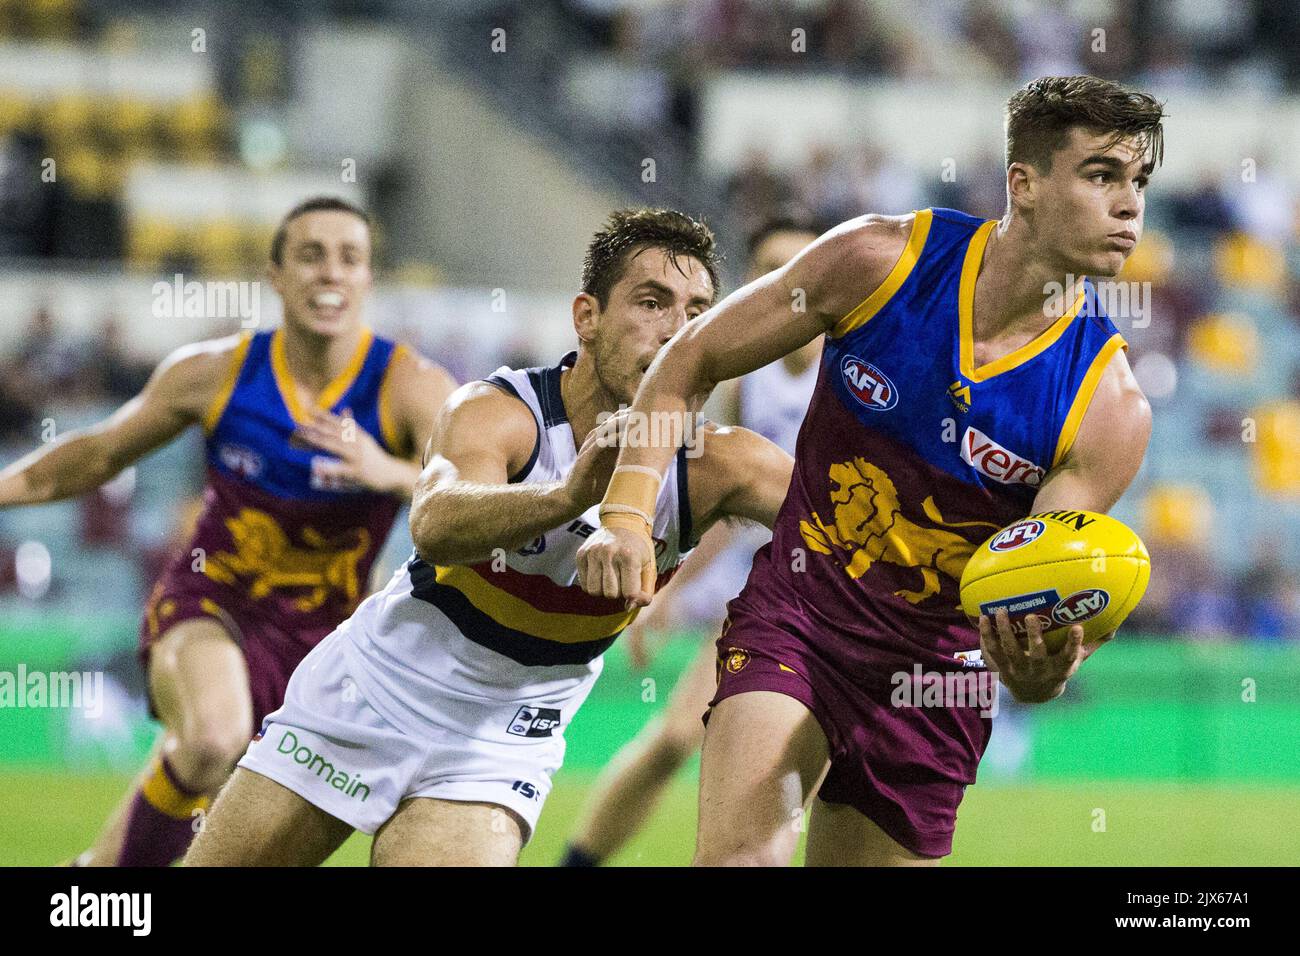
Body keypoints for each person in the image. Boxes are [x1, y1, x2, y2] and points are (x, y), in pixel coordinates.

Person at [574, 75, 1160, 865]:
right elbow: (690, 357)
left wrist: (1043, 665)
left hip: (937, 683)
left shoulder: (1108, 408)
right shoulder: (878, 260)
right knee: (739, 858)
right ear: (1023, 183)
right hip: (800, 624)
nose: (1130, 205)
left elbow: (1028, 606)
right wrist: (625, 515)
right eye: (1102, 175)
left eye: (1140, 182)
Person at [181, 208, 795, 866]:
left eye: (698, 311)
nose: (678, 333)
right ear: (586, 317)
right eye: (652, 302)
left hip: (501, 742)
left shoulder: (725, 466)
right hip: (372, 692)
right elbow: (436, 522)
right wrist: (568, 496)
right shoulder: (501, 412)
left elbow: (864, 542)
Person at [0, 196, 457, 866]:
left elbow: (479, 501)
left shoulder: (412, 388)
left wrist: (386, 469)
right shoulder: (215, 373)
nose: (329, 273)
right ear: (275, 275)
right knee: (214, 735)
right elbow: (97, 454)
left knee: (230, 835)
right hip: (211, 602)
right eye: (310, 255)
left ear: (367, 279)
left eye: (349, 258)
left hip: (321, 645)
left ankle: (93, 882)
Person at [560, 213, 822, 866]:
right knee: (676, 737)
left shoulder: (861, 371)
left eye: (800, 267)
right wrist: (667, 590)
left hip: (842, 594)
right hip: (766, 591)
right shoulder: (742, 378)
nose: (786, 283)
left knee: (796, 780)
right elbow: (722, 502)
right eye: (770, 270)